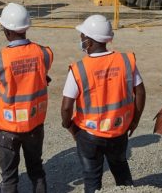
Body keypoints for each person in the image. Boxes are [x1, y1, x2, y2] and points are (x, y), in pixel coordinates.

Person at [60, 14, 146, 193]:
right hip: (119, 130)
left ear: (90, 42)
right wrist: (134, 120)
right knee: (121, 172)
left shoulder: (79, 69)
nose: (81, 40)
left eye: (83, 37)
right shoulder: (124, 61)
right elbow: (140, 92)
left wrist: (69, 126)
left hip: (90, 135)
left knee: (92, 179)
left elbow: (67, 106)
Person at [0, 3, 53, 193]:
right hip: (34, 123)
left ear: (6, 31)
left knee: (9, 177)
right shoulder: (44, 53)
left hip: (8, 127)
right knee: (37, 170)